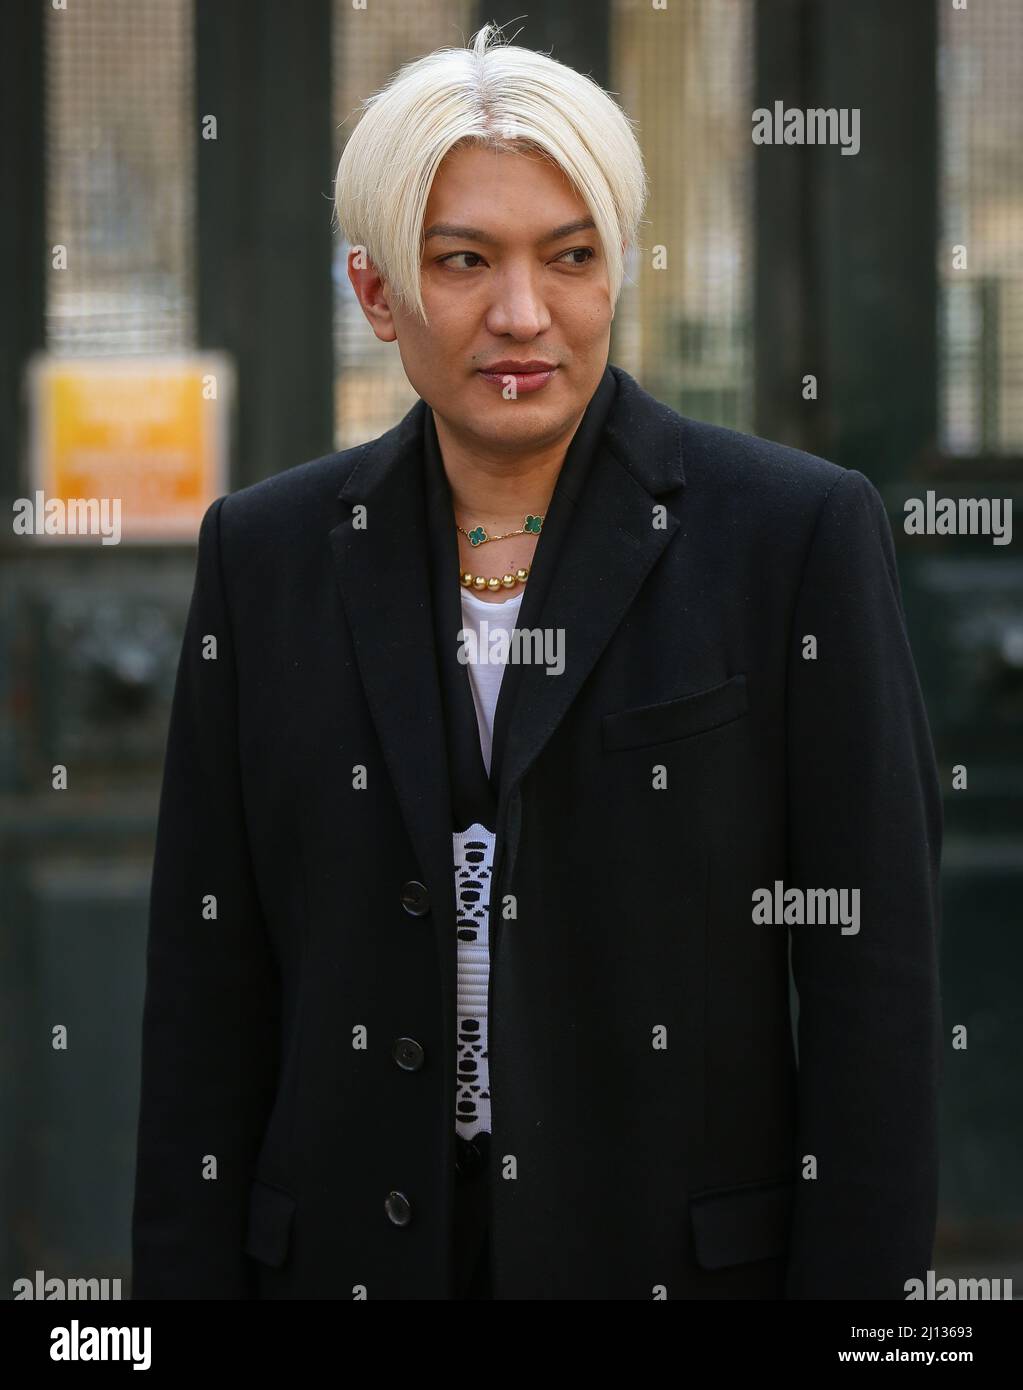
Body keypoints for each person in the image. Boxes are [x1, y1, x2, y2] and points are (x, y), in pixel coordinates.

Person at [131, 21, 942, 1301]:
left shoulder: (791, 535)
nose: (525, 315)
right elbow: (204, 1001)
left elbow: (874, 993)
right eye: (466, 261)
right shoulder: (266, 554)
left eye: (571, 258)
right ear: (378, 292)